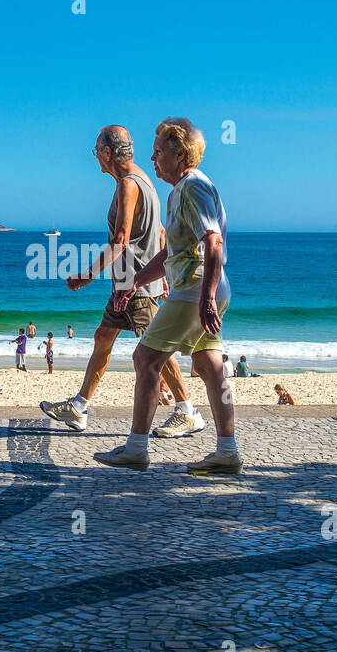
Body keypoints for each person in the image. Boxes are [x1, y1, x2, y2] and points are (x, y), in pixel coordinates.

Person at [94, 117, 239, 475]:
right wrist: (134, 283)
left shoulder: (193, 188)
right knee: (208, 366)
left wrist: (205, 298)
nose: (153, 157)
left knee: (145, 359)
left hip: (194, 290)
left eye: (159, 151)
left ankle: (136, 449)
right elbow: (170, 254)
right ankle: (227, 452)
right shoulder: (178, 193)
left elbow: (214, 242)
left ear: (179, 154)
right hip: (202, 289)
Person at [39, 124, 203, 437]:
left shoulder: (129, 185)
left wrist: (87, 275)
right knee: (103, 338)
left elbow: (121, 240)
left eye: (96, 151)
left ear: (108, 152)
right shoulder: (142, 181)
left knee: (156, 348)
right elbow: (160, 232)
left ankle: (187, 411)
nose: (95, 157)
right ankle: (79, 407)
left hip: (136, 286)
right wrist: (164, 278)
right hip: (129, 284)